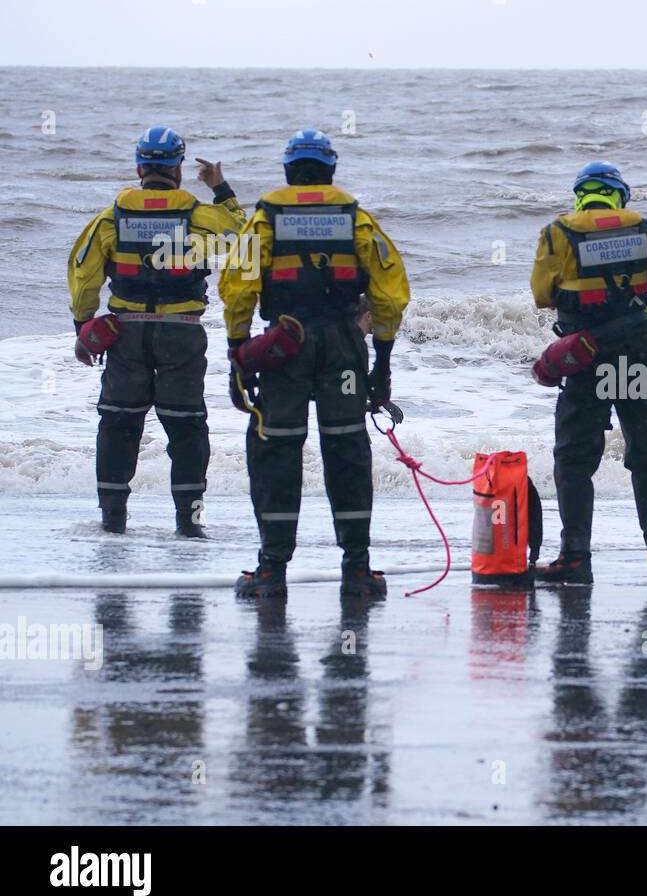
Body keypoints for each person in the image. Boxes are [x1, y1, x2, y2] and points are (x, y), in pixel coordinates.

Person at [221, 129, 410, 599]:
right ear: (331, 170)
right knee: (346, 451)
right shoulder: (357, 219)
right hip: (344, 345)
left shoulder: (264, 218)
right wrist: (381, 363)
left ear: (288, 170)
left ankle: (270, 571)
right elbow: (390, 294)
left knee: (275, 451)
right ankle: (358, 570)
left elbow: (238, 287)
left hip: (285, 344)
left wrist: (239, 353)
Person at [530, 161, 647, 584]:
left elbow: (540, 296)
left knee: (573, 460)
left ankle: (575, 559)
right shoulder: (641, 230)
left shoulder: (560, 232)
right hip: (639, 353)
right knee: (645, 454)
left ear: (579, 195)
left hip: (586, 358)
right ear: (619, 196)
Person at [68, 125, 245, 537]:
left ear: (138, 168)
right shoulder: (200, 216)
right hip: (182, 333)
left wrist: (83, 327)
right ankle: (190, 522)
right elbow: (247, 238)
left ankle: (112, 521)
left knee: (118, 423)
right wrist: (221, 189)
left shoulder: (109, 219)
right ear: (179, 169)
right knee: (186, 425)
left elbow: (82, 274)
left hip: (124, 335)